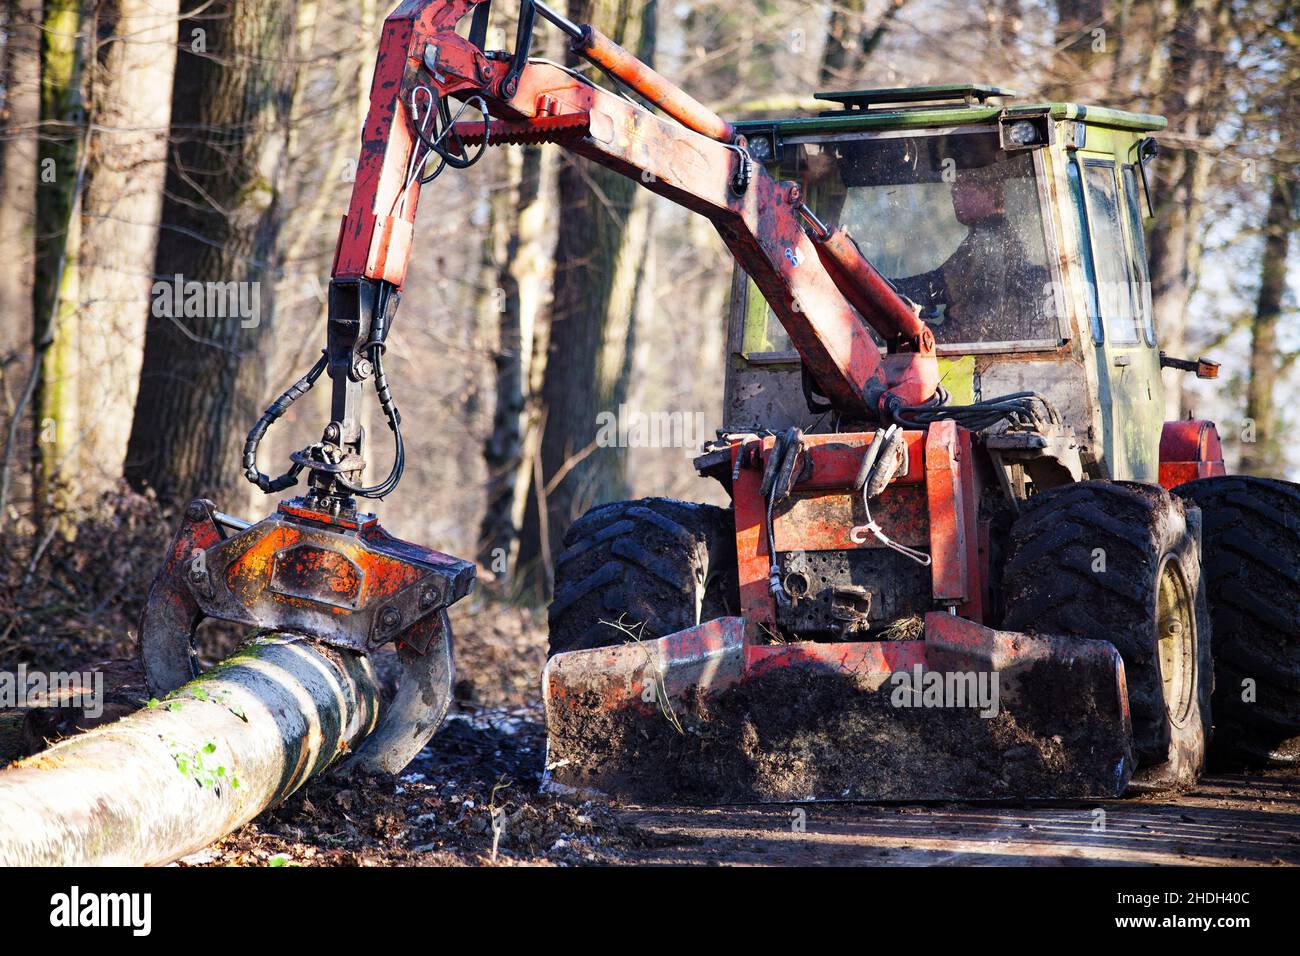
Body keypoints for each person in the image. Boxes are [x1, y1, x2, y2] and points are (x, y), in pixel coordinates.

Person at [893, 163, 1049, 344]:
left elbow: (935, 289)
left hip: (979, 347)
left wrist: (883, 290)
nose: (956, 198)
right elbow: (939, 284)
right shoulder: (992, 235)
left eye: (964, 192)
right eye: (954, 192)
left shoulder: (988, 240)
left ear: (991, 193)